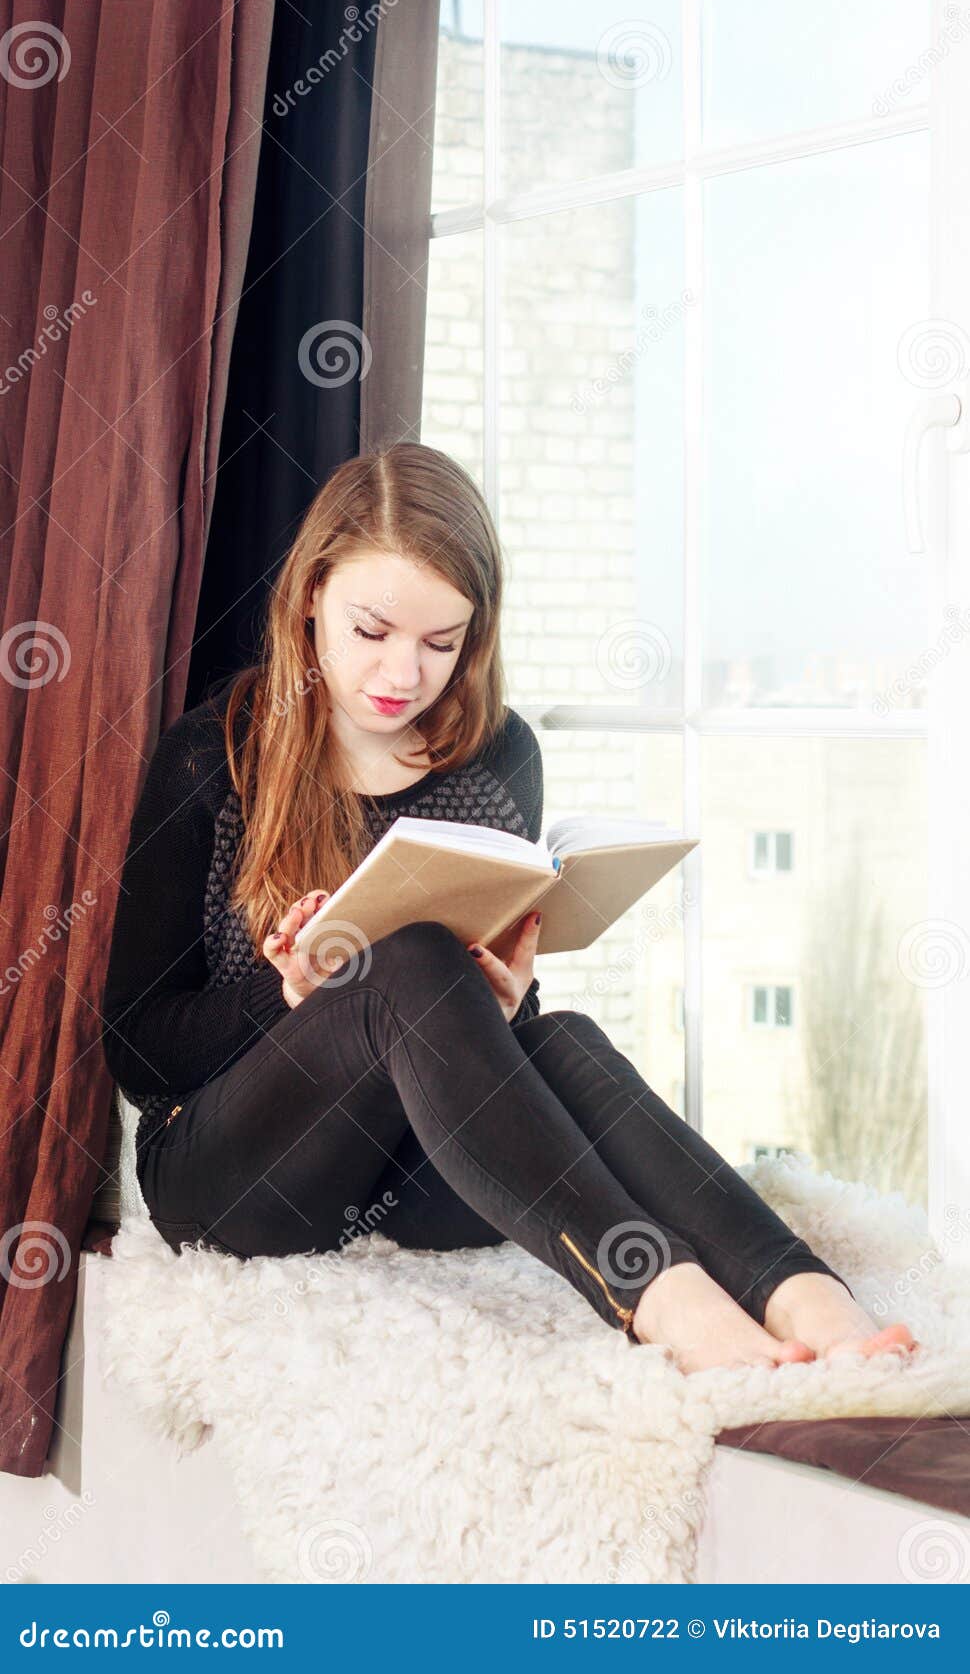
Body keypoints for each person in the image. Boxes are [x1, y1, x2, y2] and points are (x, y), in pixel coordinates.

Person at [100, 442, 918, 1375]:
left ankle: (801, 1290)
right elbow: (137, 1050)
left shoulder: (496, 758)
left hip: (410, 1167)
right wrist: (284, 998)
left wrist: (503, 1003)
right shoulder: (212, 758)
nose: (403, 673)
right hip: (231, 1176)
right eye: (373, 630)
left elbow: (484, 1064)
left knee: (561, 1039)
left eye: (439, 643)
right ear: (314, 594)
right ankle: (661, 1297)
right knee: (407, 957)